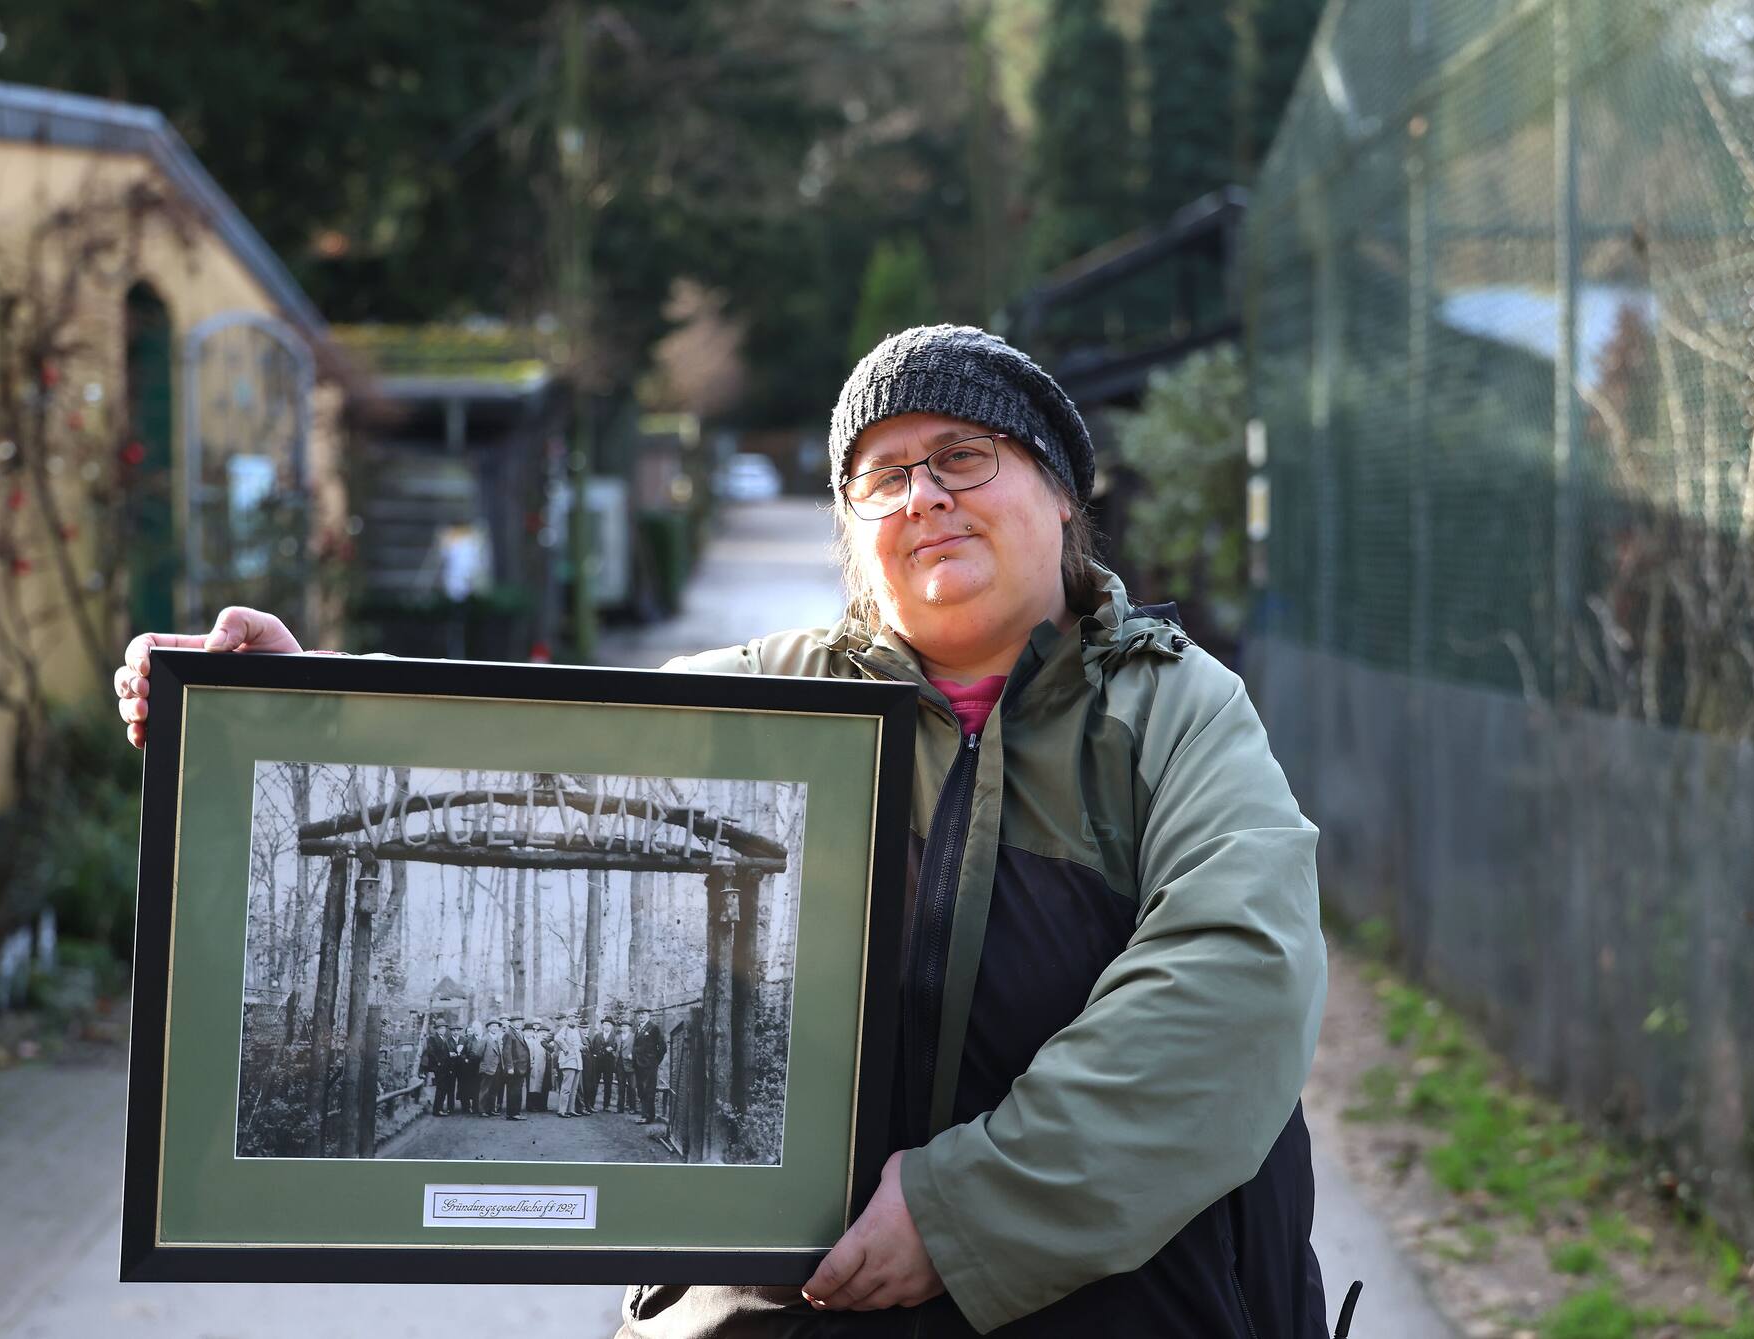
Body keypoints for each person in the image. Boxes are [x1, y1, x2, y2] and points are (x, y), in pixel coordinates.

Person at [113, 324, 1331, 1336]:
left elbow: (1234, 980)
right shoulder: (779, 700)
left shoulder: (1166, 708)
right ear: (853, 527)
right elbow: (512, 755)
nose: (923, 497)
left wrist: (962, 1213)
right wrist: (293, 708)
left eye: (963, 456)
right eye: (882, 474)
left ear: (1061, 493)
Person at [631, 1008, 665, 1126]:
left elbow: (662, 1048)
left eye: (643, 1013)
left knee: (649, 1090)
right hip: (639, 1065)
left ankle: (648, 1116)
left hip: (649, 1065)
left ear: (648, 1015)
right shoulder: (638, 1028)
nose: (641, 1016)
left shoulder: (654, 1028)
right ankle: (645, 1114)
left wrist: (654, 1062)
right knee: (641, 1090)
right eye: (639, 1014)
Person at [421, 1017, 455, 1117]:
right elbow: (432, 1053)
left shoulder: (444, 1038)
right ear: (436, 1029)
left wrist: (449, 1054)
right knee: (440, 1089)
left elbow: (444, 1052)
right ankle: (437, 1110)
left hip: (445, 1067)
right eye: (440, 1028)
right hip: (439, 1068)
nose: (442, 1030)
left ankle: (439, 1108)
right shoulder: (432, 1038)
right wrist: (439, 1062)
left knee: (443, 1089)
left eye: (444, 1028)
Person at [553, 1015, 585, 1118]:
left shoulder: (577, 1030)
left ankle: (571, 1109)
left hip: (577, 1062)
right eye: (571, 1019)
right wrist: (566, 1049)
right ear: (567, 1020)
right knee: (566, 1087)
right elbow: (557, 1038)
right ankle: (562, 1110)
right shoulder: (564, 1029)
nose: (574, 1021)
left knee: (574, 1088)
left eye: (576, 1019)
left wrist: (582, 1047)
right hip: (568, 1061)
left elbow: (578, 1044)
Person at [502, 1016, 532, 1121]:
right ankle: (513, 1113)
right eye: (517, 1021)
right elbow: (506, 1052)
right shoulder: (509, 1034)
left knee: (516, 1091)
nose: (519, 1023)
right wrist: (510, 1067)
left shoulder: (517, 1032)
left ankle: (514, 1113)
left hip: (520, 1067)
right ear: (512, 1023)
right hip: (515, 1068)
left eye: (520, 1021)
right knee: (514, 1091)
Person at [589, 1016, 619, 1111]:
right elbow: (592, 1048)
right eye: (605, 1024)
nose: (606, 1026)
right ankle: (591, 1103)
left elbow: (617, 1049)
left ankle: (606, 1105)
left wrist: (612, 1051)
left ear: (612, 1026)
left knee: (608, 1084)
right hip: (597, 1063)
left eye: (608, 1025)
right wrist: (594, 1056)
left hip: (609, 1064)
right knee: (594, 1083)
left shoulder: (615, 1037)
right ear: (602, 1025)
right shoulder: (598, 1036)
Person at [477, 1019, 504, 1116]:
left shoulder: (499, 1039)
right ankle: (482, 1110)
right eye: (493, 1026)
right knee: (485, 1089)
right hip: (487, 1068)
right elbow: (478, 1054)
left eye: (496, 1026)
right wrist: (484, 1063)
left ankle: (491, 1109)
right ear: (488, 1028)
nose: (495, 1028)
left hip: (497, 1068)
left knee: (494, 1089)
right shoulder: (485, 1039)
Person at [615, 1021, 637, 1114]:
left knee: (632, 1087)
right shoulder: (617, 1037)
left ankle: (632, 1107)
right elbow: (614, 1048)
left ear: (629, 1028)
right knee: (621, 1087)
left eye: (626, 1026)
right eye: (622, 1026)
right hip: (620, 1065)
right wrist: (615, 1054)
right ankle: (620, 1108)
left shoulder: (633, 1036)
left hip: (630, 1065)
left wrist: (633, 1055)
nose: (623, 1028)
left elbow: (637, 1048)